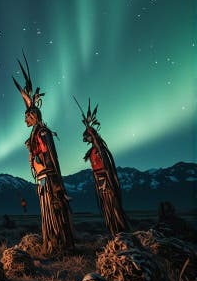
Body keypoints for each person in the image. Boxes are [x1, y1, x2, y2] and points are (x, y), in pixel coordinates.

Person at [12, 53, 74, 255]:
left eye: (26, 117)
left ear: (33, 115)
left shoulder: (43, 133)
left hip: (47, 178)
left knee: (52, 210)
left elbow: (48, 156)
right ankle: (53, 243)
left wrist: (38, 159)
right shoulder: (36, 134)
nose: (25, 122)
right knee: (46, 211)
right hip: (42, 179)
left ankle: (59, 244)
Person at [75, 98, 130, 236]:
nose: (85, 140)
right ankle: (114, 232)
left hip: (104, 179)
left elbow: (106, 164)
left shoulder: (99, 149)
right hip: (99, 179)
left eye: (87, 137)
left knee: (111, 204)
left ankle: (120, 232)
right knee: (106, 206)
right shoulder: (94, 150)